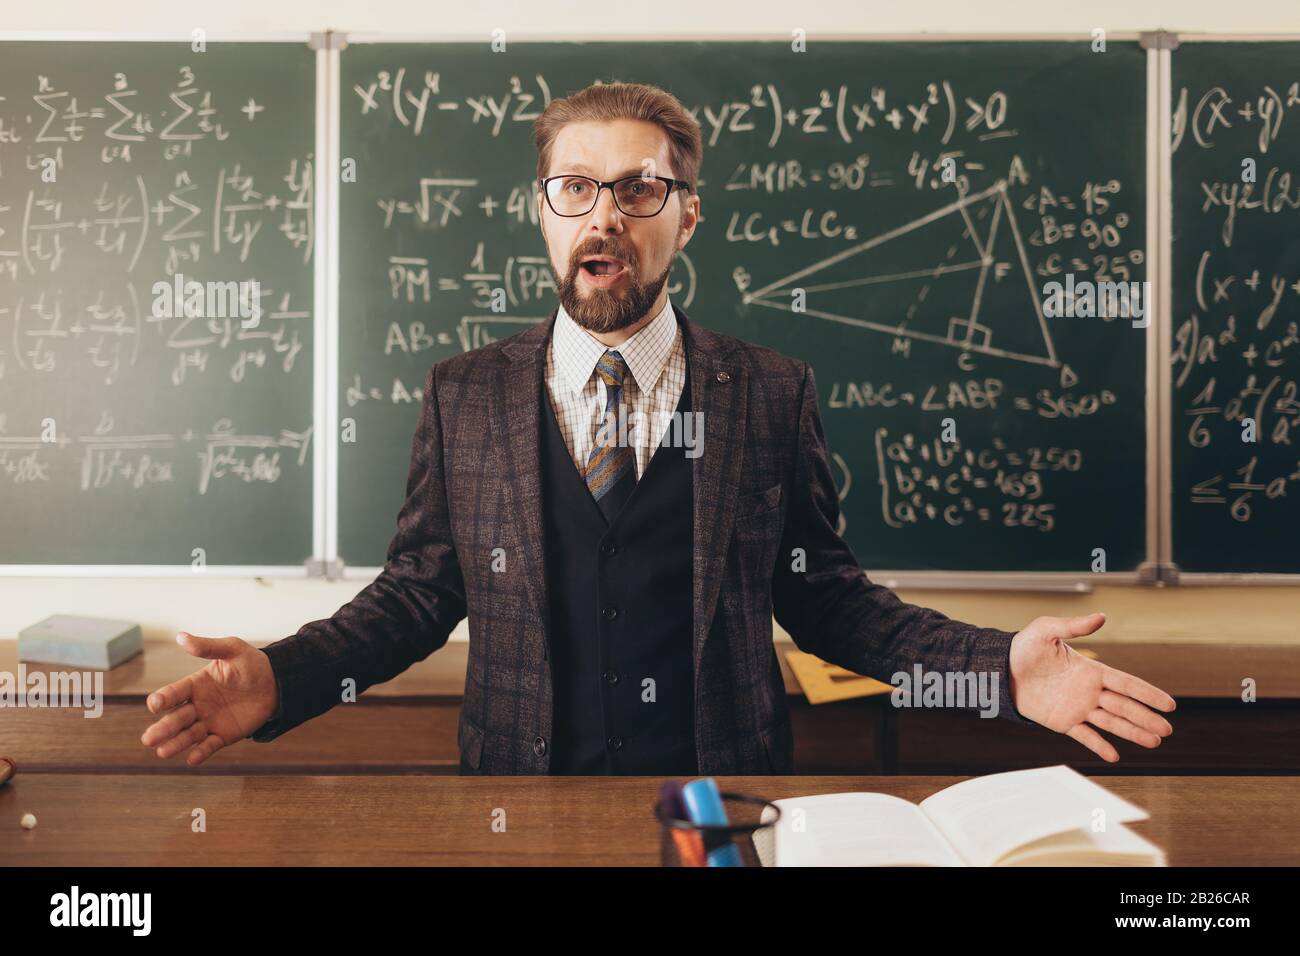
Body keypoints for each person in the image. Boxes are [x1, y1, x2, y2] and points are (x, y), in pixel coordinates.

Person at [142, 81, 1175, 774]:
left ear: (687, 216)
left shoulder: (770, 393)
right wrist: (281, 677)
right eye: (576, 188)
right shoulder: (465, 395)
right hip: (518, 804)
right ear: (543, 210)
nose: (605, 215)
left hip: (718, 803)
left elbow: (828, 600)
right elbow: (418, 594)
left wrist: (995, 668)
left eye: (640, 188)